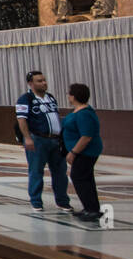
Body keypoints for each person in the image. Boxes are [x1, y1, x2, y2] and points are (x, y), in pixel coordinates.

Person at [15, 70, 71, 214]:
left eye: (44, 80)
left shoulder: (50, 98)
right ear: (31, 83)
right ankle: (36, 202)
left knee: (60, 172)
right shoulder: (25, 99)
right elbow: (21, 120)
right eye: (39, 81)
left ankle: (63, 201)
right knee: (36, 171)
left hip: (55, 140)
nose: (44, 83)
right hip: (38, 139)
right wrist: (27, 138)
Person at [63, 83, 103, 222]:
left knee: (79, 177)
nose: (68, 96)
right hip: (83, 151)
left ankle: (92, 210)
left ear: (73, 96)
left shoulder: (84, 114)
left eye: (69, 93)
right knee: (86, 178)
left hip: (86, 152)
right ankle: (90, 208)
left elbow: (86, 136)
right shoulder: (79, 111)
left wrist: (73, 152)